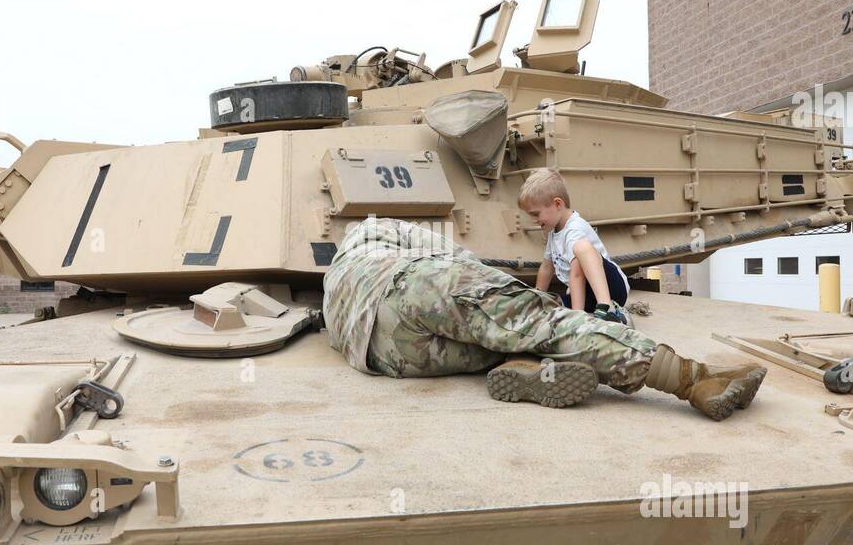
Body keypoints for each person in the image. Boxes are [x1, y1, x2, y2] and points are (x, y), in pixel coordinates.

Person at [322, 216, 767, 420]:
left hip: (384, 355)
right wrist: (521, 297)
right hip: (411, 287)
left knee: (500, 339)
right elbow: (457, 259)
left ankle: (526, 368)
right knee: (542, 323)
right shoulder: (374, 229)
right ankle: (694, 380)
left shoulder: (331, 287)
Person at [517, 167, 630, 323]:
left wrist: (577, 317)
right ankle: (593, 311)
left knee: (580, 248)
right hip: (585, 293)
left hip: (611, 288)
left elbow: (577, 274)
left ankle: (609, 308)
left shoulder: (574, 229)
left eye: (536, 214)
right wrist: (538, 297)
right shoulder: (553, 229)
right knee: (552, 306)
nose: (534, 220)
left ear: (557, 204)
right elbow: (547, 267)